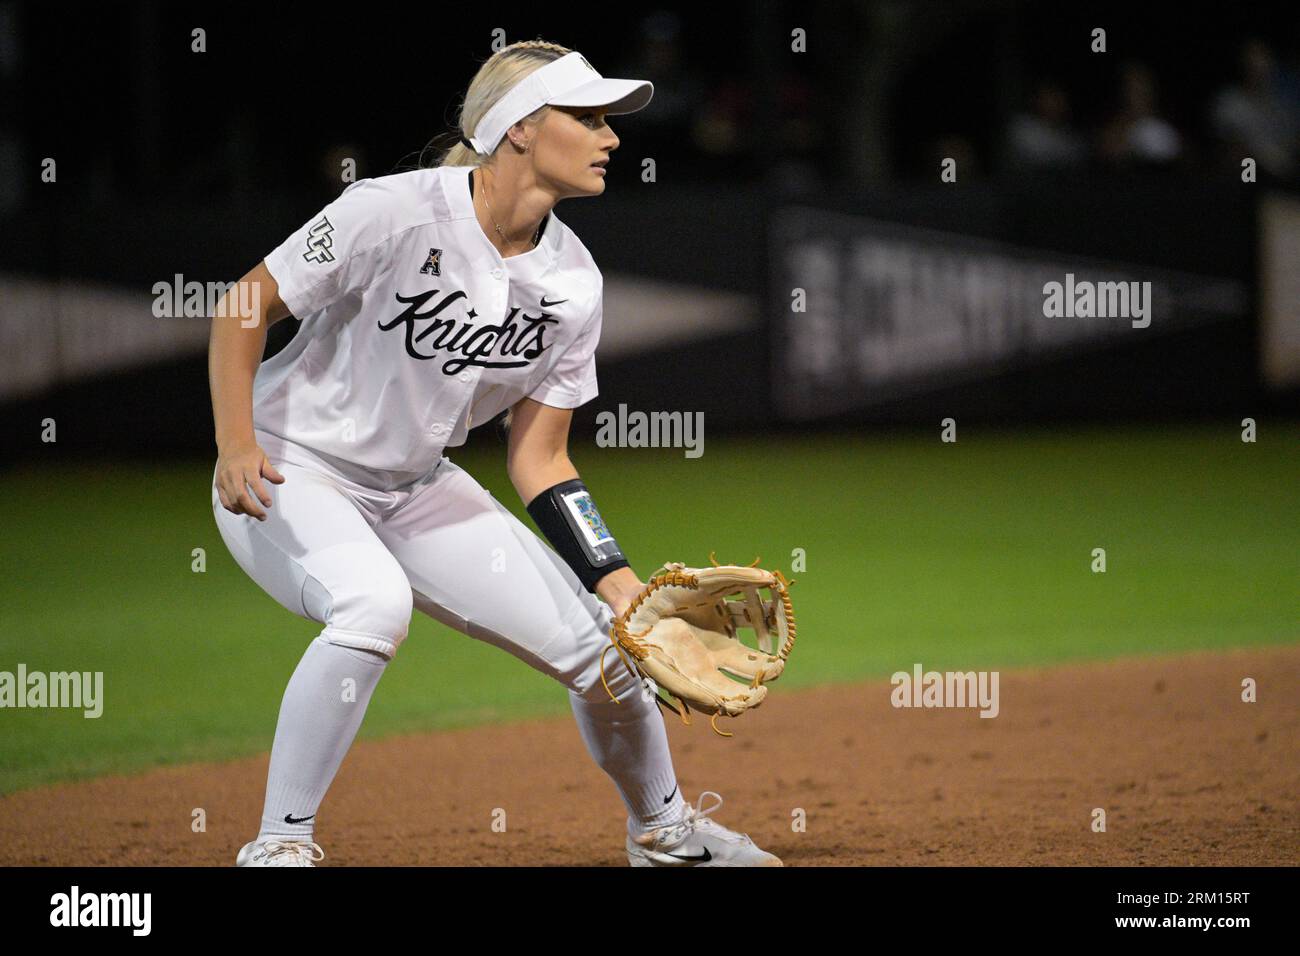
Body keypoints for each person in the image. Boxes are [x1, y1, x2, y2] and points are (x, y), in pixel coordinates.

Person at [207, 39, 782, 867]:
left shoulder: (574, 284)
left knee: (605, 647)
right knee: (372, 606)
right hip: (290, 467)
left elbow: (541, 460)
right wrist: (236, 442)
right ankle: (280, 844)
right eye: (587, 117)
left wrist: (617, 582)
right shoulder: (391, 210)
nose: (610, 136)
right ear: (518, 127)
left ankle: (664, 832)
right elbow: (243, 306)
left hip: (414, 486)